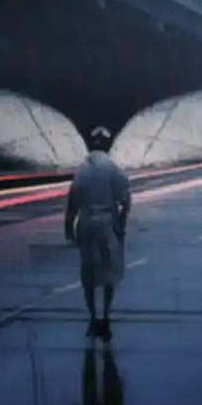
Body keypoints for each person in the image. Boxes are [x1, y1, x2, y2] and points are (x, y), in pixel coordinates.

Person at [65, 126, 132, 341]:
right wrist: (121, 223)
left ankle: (93, 319)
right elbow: (125, 198)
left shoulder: (82, 171)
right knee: (109, 272)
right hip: (106, 222)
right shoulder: (113, 168)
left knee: (89, 275)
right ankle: (106, 316)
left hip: (86, 223)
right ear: (108, 145)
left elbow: (72, 202)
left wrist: (69, 228)